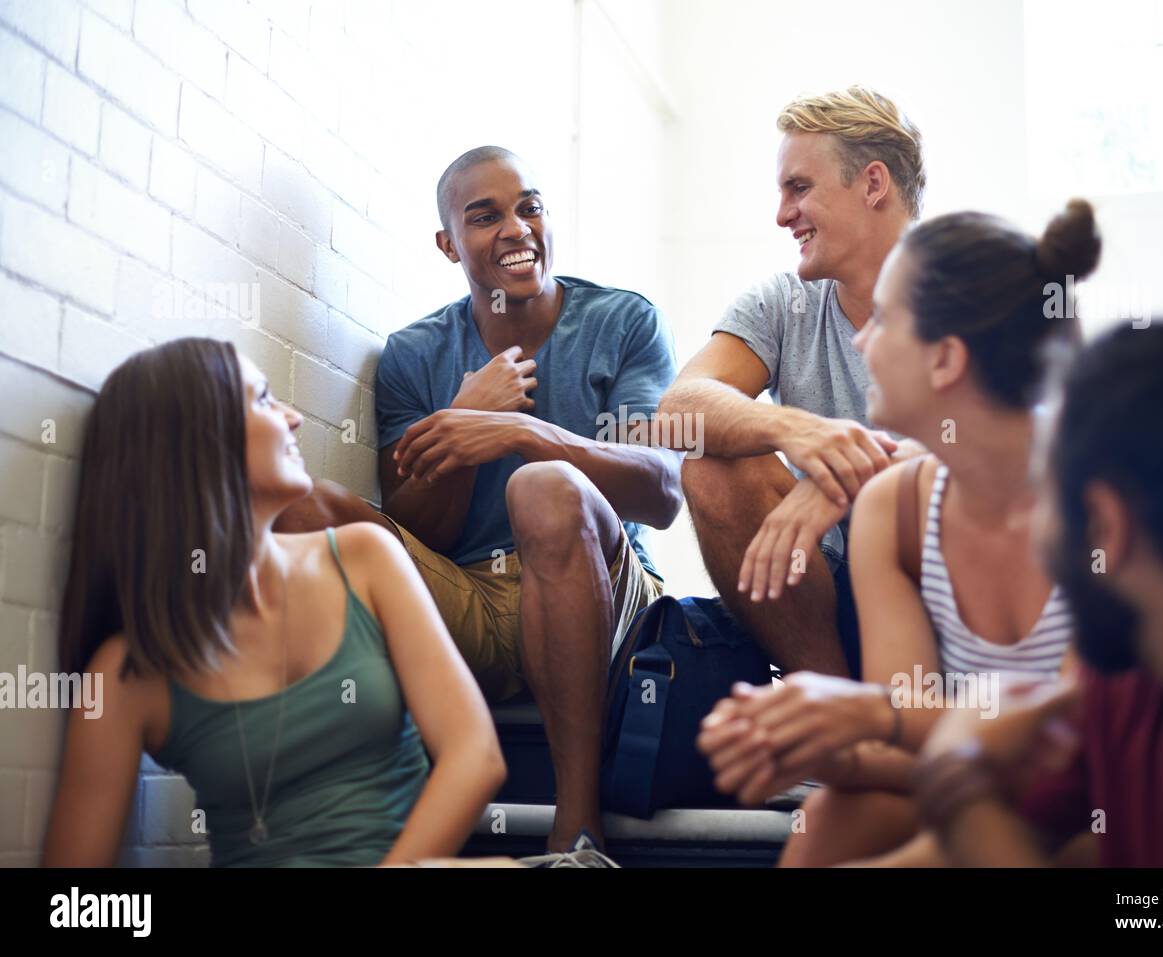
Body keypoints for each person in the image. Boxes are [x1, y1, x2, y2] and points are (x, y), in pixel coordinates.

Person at [285, 146, 682, 858]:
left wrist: (521, 431)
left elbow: (661, 491)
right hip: (469, 594)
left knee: (543, 486)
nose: (516, 227)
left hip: (606, 589)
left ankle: (578, 826)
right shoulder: (413, 355)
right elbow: (411, 529)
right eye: (485, 215)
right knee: (307, 508)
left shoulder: (623, 321)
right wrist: (463, 429)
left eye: (529, 206)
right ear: (448, 244)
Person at [697, 200, 1101, 866]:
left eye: (882, 320)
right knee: (828, 814)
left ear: (944, 358)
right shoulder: (896, 506)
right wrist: (803, 737)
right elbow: (908, 744)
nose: (861, 342)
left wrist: (866, 716)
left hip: (1101, 799)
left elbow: (1076, 748)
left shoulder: (1100, 496)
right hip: (978, 779)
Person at [43, 338, 503, 867]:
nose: (292, 417)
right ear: (199, 446)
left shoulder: (364, 556)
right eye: (262, 399)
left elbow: (476, 754)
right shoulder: (127, 672)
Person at [911, 295, 1163, 867]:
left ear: (1104, 526)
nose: (1029, 528)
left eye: (1039, 495)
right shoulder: (1129, 689)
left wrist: (961, 789)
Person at [657, 85, 926, 680]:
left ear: (873, 184)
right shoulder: (782, 303)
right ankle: (831, 713)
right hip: (830, 591)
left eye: (798, 188)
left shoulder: (975, 285)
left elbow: (1017, 454)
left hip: (946, 581)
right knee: (712, 460)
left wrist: (843, 481)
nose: (782, 214)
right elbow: (676, 409)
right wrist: (800, 432)